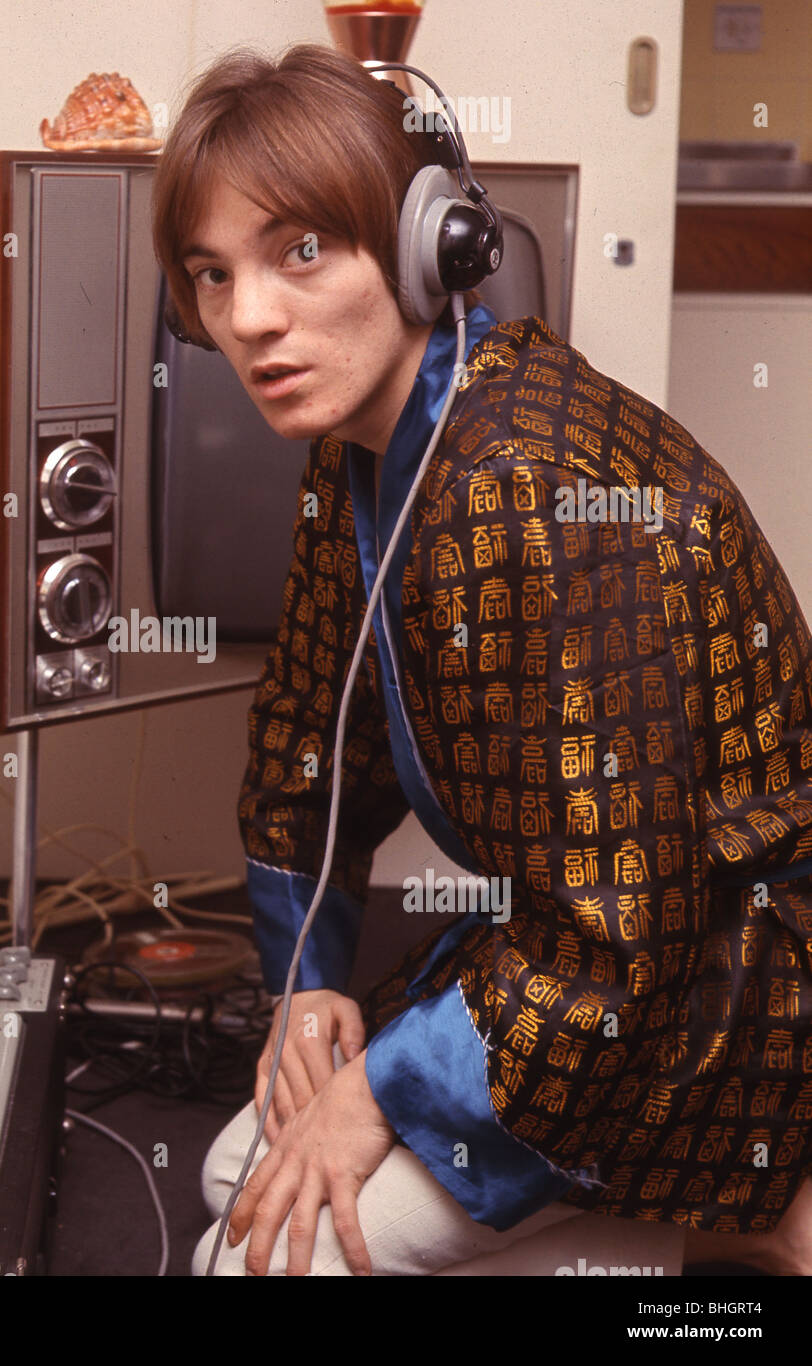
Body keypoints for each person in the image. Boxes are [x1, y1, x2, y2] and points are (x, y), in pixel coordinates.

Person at [150, 42, 812, 1276]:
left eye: (300, 251)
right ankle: (673, 1229)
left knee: (246, 1260)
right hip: (581, 943)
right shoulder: (363, 448)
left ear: (428, 247)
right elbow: (312, 739)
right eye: (210, 274)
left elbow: (629, 928)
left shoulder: (538, 488)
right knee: (236, 1173)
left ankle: (755, 1201)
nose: (247, 318)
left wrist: (373, 1097)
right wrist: (306, 983)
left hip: (715, 977)